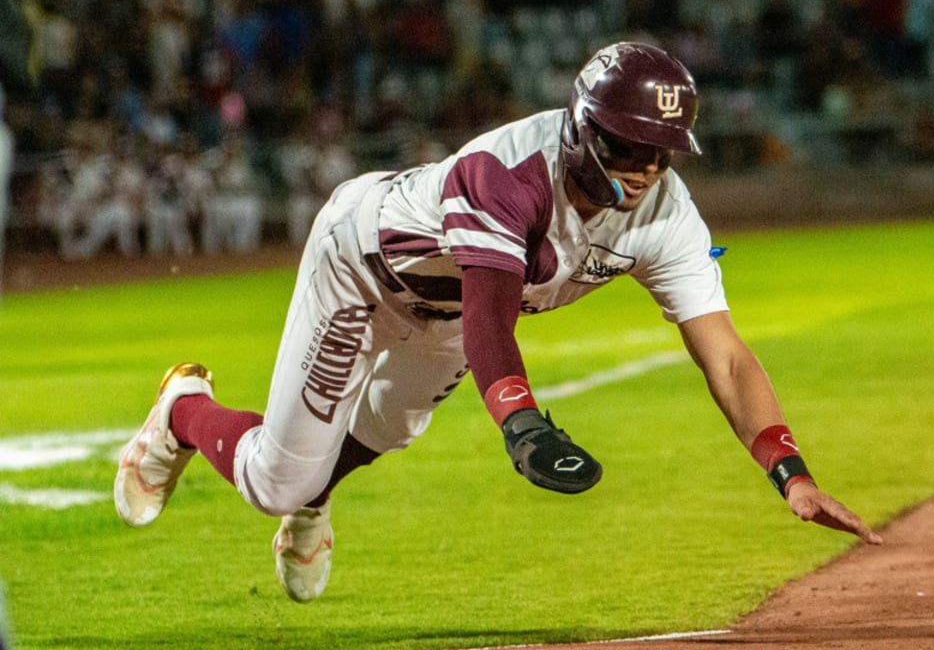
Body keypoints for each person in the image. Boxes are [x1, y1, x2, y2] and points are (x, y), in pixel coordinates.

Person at [114, 41, 882, 604]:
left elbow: (728, 360)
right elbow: (489, 317)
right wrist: (520, 422)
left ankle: (321, 494)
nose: (648, 170)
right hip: (362, 272)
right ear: (583, 129)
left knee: (386, 429)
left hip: (457, 308)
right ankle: (184, 410)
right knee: (274, 481)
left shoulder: (666, 215)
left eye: (663, 153)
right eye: (630, 146)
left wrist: (791, 474)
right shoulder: (509, 172)